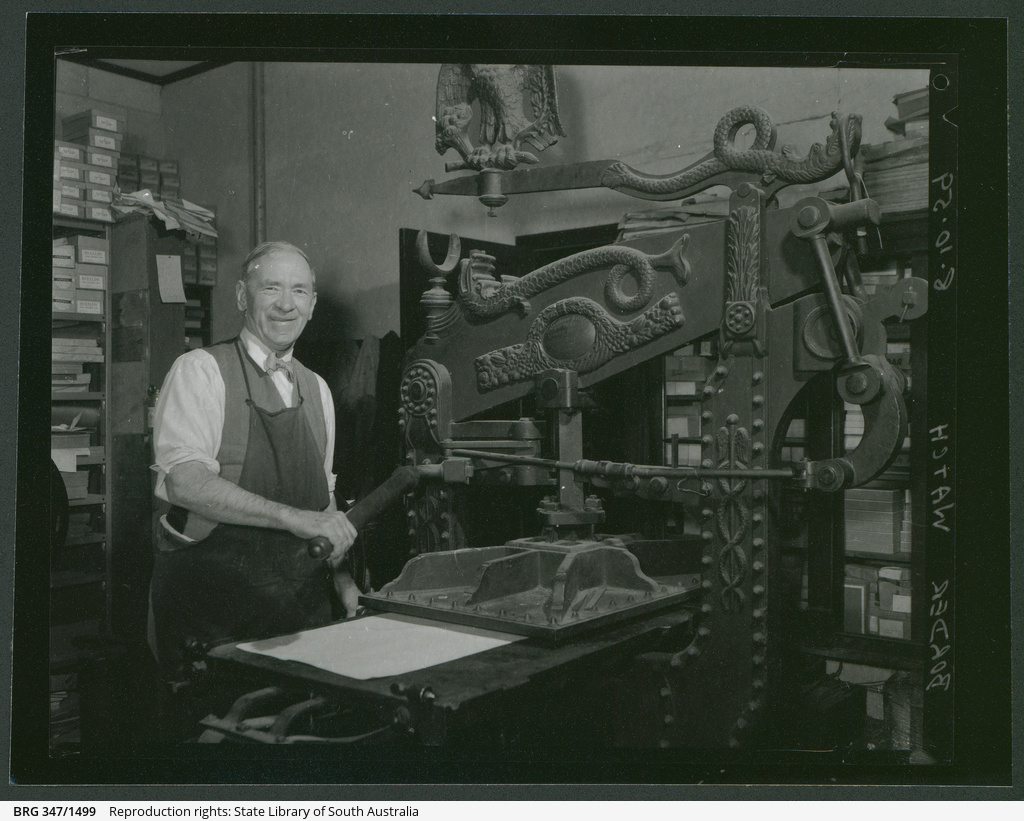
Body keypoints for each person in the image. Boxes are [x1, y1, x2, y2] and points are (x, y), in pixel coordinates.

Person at [149, 240, 356, 676]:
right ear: (243, 296)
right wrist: (292, 519)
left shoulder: (317, 389)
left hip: (299, 608)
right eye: (271, 289)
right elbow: (184, 483)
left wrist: (344, 582)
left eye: (299, 291)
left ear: (313, 304)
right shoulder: (200, 370)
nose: (286, 305)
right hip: (217, 611)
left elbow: (324, 504)